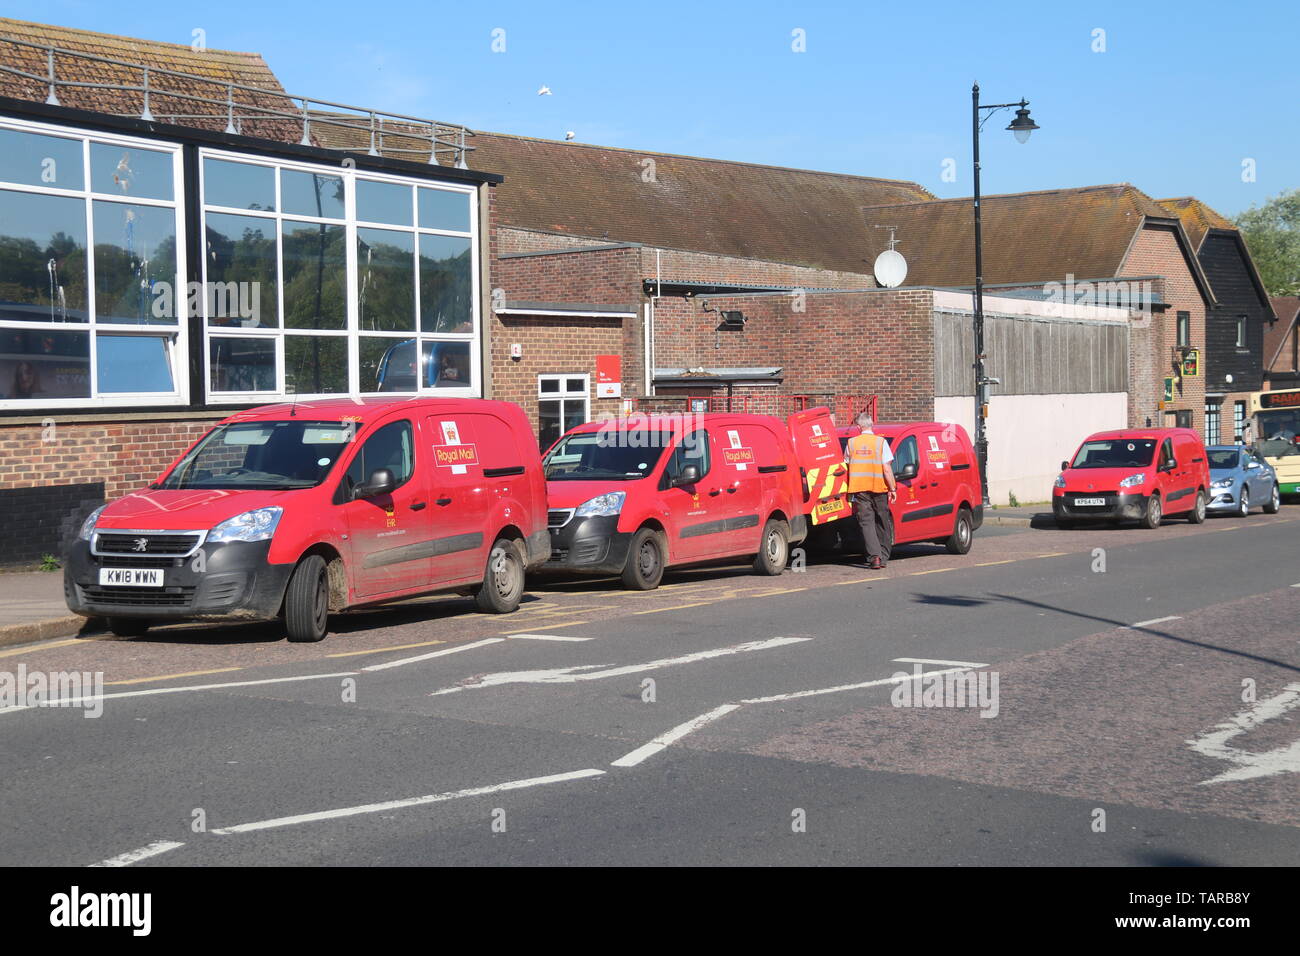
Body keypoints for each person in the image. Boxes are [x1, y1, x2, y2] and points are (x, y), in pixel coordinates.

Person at [844, 412, 896, 570]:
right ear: (871, 425)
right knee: (882, 521)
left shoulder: (851, 443)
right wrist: (892, 488)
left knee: (866, 523)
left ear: (859, 427)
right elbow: (886, 468)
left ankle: (875, 558)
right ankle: (884, 556)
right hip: (879, 488)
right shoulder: (881, 442)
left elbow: (845, 464)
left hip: (859, 489)